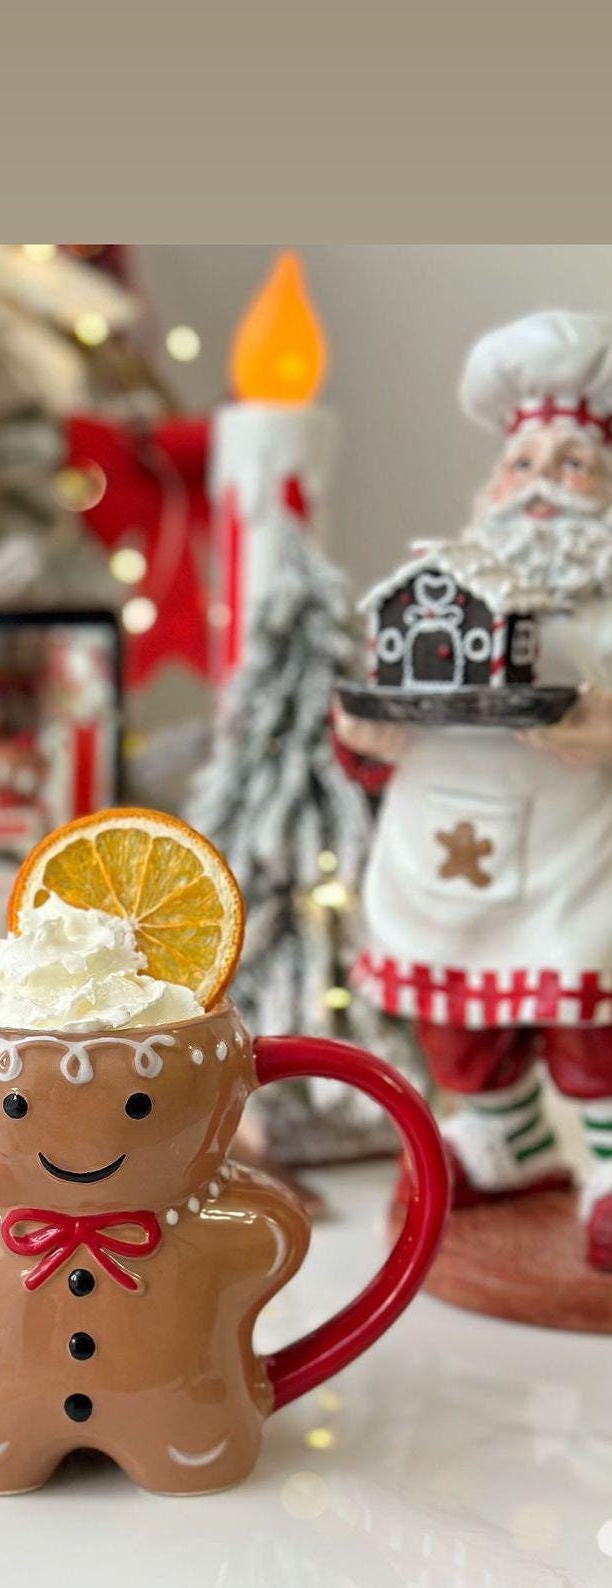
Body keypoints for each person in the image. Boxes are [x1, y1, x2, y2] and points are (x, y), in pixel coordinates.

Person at [335, 311, 612, 1269]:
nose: (542, 487)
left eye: (570, 465)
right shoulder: (441, 584)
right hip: (439, 853)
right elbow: (381, 712)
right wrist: (363, 738)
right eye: (524, 464)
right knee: (457, 1023)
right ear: (494, 484)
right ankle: (508, 1141)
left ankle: (609, 1171)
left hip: (578, 852)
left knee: (589, 1021)